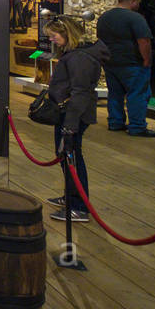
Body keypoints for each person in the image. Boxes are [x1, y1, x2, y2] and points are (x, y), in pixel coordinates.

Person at [44, 17, 109, 223]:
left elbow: (80, 92)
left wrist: (70, 124)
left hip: (73, 115)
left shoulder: (80, 58)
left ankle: (79, 206)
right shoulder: (75, 55)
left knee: (72, 157)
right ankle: (71, 196)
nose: (52, 40)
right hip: (69, 113)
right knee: (65, 154)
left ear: (67, 33)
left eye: (54, 36)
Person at [96, 0, 155, 137]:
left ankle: (115, 122)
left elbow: (101, 40)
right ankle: (137, 126)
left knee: (115, 94)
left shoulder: (104, 17)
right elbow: (144, 40)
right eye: (138, 2)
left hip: (110, 62)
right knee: (137, 94)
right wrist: (147, 60)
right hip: (132, 62)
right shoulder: (135, 18)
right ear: (133, 1)